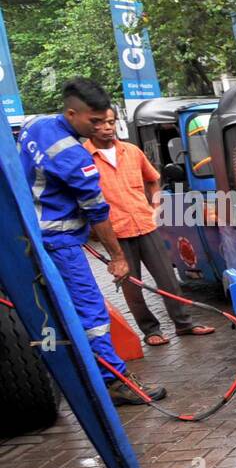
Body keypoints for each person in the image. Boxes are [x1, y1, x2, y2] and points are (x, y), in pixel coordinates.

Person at [17, 79, 165, 405]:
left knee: (60, 309)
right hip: (60, 242)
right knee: (93, 315)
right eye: (93, 121)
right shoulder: (75, 157)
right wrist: (117, 257)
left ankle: (88, 375)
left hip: (32, 234)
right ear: (72, 113)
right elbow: (97, 211)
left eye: (106, 120)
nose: (101, 128)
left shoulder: (34, 126)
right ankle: (114, 381)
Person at [84, 105, 215, 345]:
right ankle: (151, 330)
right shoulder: (83, 157)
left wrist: (155, 208)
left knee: (168, 279)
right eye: (100, 122)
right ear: (89, 125)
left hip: (146, 226)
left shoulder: (132, 151)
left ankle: (184, 324)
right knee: (131, 286)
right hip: (115, 234)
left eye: (111, 122)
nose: (106, 127)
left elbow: (153, 179)